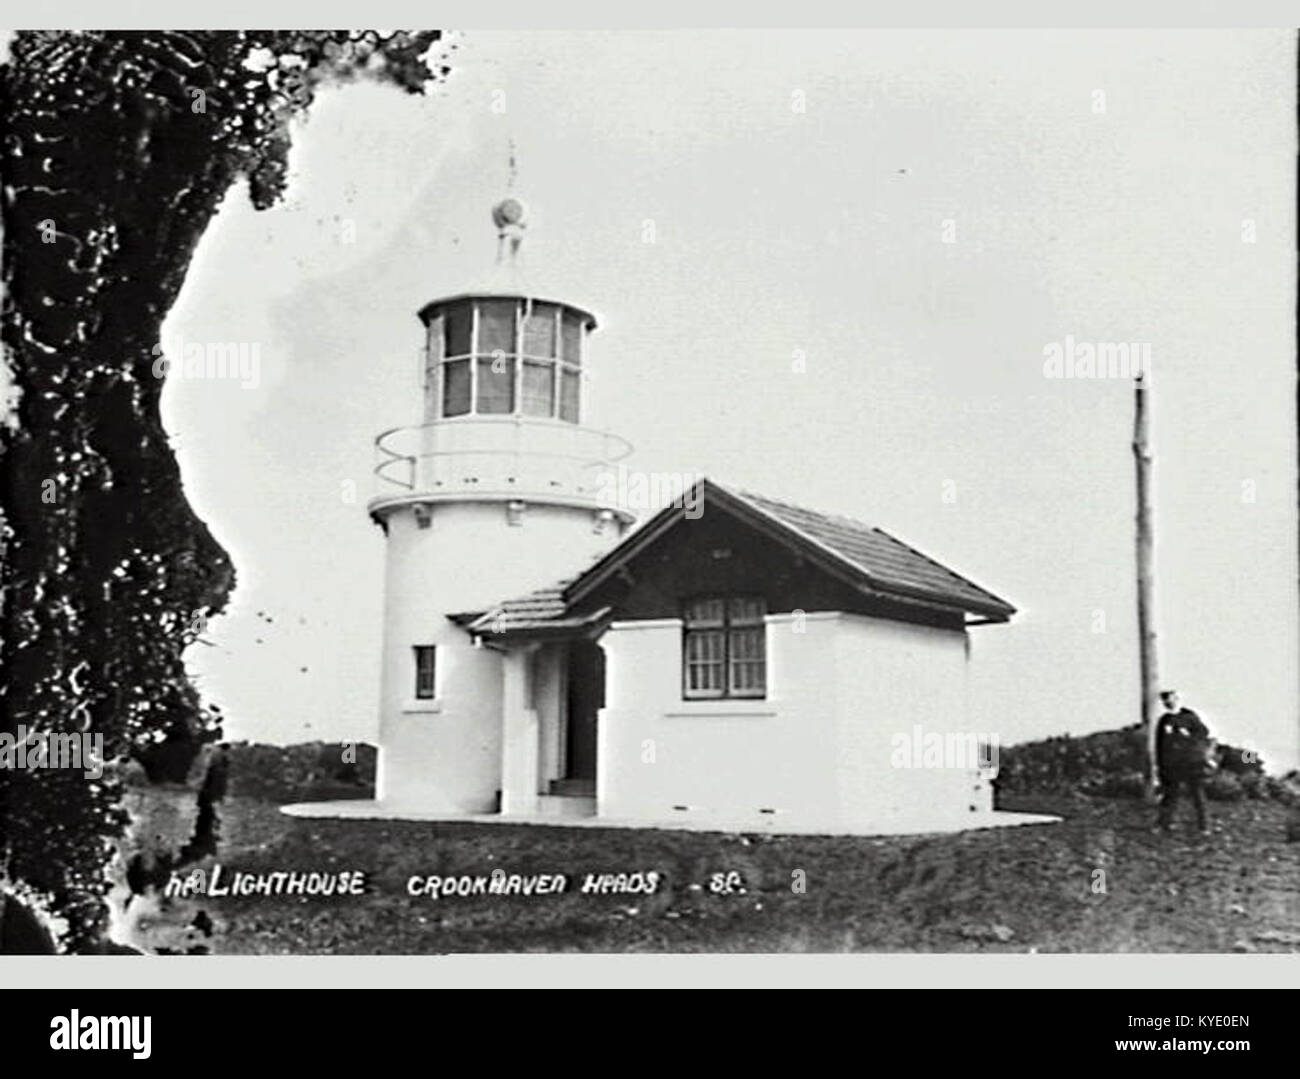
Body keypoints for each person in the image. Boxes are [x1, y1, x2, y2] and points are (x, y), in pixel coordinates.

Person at [1155, 689, 1213, 834]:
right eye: (1165, 701)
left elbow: (1202, 736)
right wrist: (1160, 765)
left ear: (1177, 699)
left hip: (1191, 763)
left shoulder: (1190, 718)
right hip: (1172, 764)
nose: (1168, 703)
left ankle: (1204, 826)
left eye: (1171, 699)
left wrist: (1188, 738)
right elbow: (1159, 745)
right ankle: (1164, 824)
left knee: (1197, 794)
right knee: (1170, 794)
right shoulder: (1164, 720)